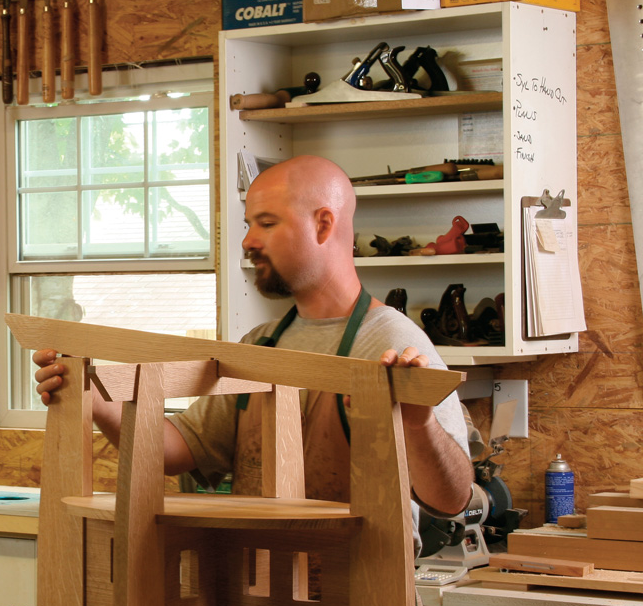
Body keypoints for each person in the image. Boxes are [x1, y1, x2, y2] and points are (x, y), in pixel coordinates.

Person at [32, 155, 472, 532]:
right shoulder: (260, 346)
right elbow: (177, 451)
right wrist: (94, 395)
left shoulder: (391, 342)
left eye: (266, 223)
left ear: (322, 225)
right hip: (260, 593)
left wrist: (420, 426)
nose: (248, 241)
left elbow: (451, 499)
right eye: (248, 224)